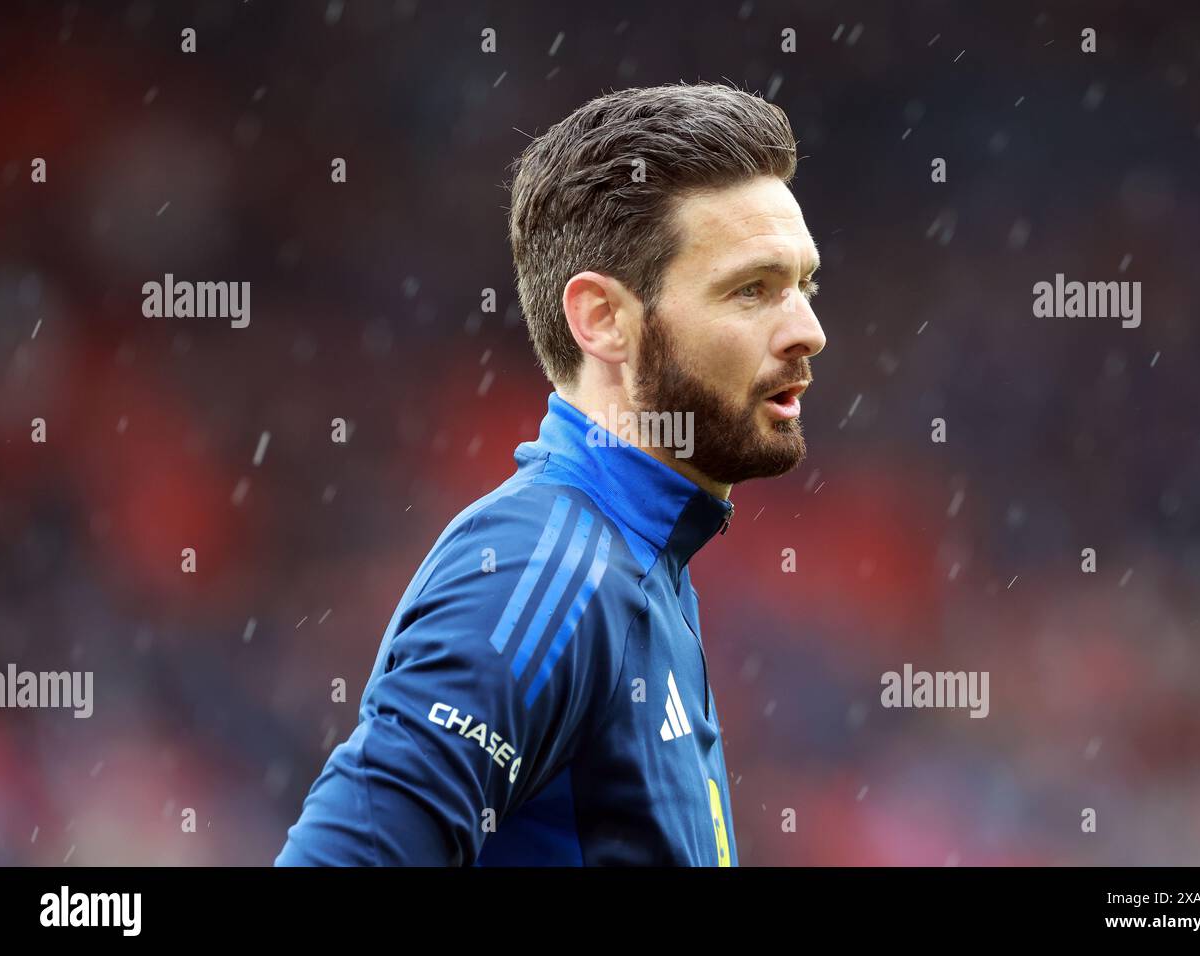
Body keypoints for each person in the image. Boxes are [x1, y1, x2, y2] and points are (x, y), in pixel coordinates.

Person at [276, 81, 825, 866]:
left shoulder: (644, 561)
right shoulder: (544, 566)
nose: (808, 330)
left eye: (804, 286)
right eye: (752, 290)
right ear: (602, 319)